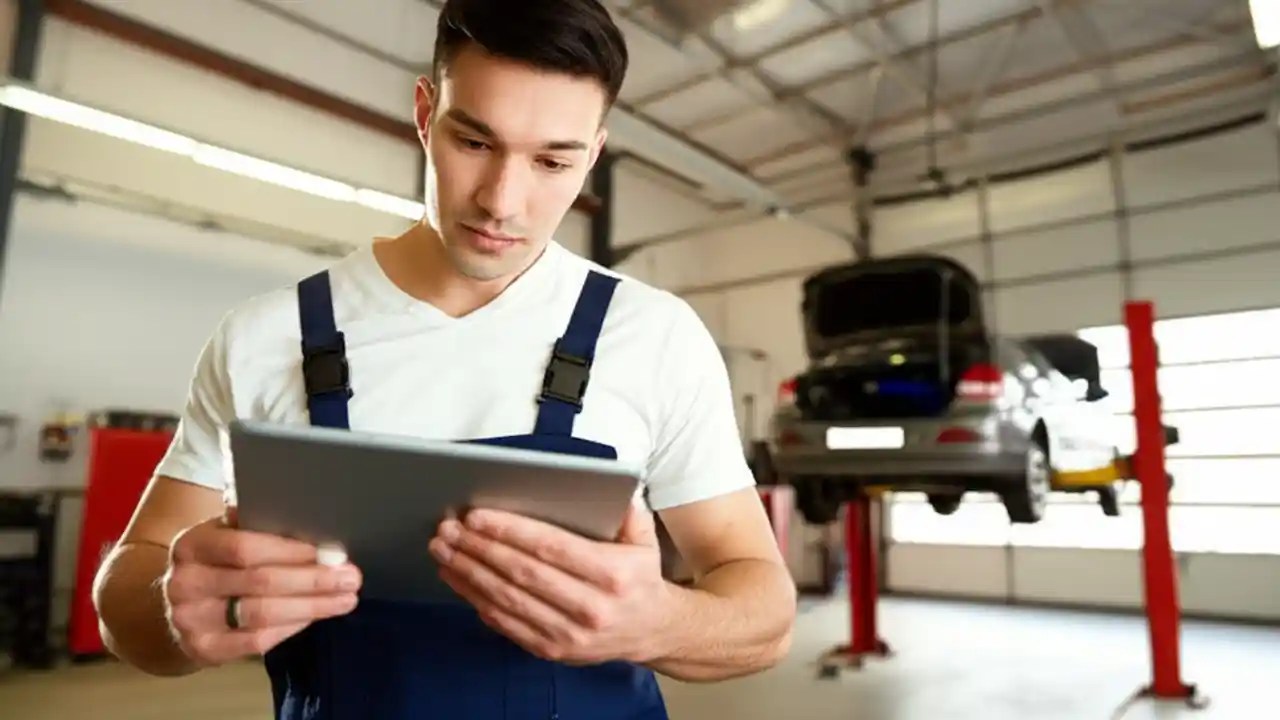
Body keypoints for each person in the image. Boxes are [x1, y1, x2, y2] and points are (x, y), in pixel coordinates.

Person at [92, 0, 797, 717]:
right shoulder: (265, 338)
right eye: (475, 143)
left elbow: (764, 610)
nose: (503, 202)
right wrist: (173, 611)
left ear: (595, 153)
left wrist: (655, 622)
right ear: (426, 114)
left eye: (553, 161)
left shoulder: (654, 336)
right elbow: (125, 597)